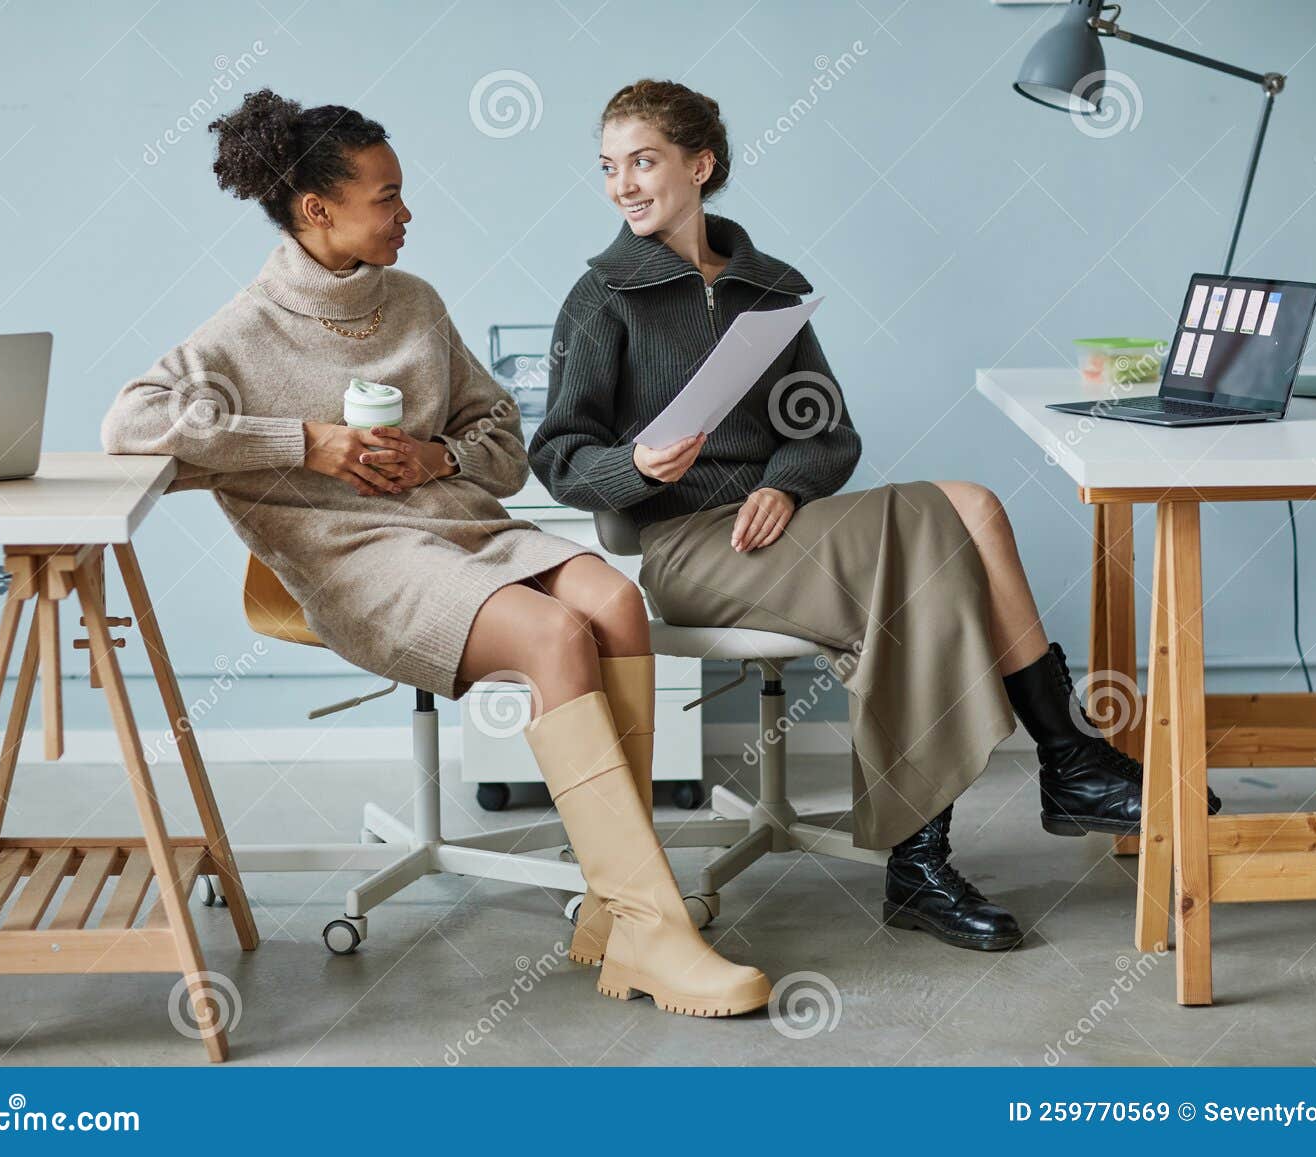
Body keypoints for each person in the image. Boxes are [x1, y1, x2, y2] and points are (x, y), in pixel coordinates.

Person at [100, 88, 769, 1017]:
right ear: (316, 211)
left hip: (466, 528)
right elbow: (129, 422)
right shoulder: (244, 331)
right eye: (387, 197)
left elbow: (502, 441)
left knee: (614, 603)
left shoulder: (414, 302)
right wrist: (306, 442)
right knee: (554, 637)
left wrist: (439, 454)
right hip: (356, 565)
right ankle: (654, 927)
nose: (407, 213)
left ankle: (621, 913)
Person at [528, 78, 1220, 953]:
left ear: (699, 166)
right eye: (609, 167)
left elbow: (826, 431)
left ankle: (954, 840)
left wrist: (785, 481)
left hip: (783, 527)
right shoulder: (601, 297)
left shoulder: (770, 288)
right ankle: (1050, 769)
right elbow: (556, 455)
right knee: (943, 524)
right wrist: (633, 464)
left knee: (964, 511)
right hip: (688, 547)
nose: (623, 184)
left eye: (643, 161)